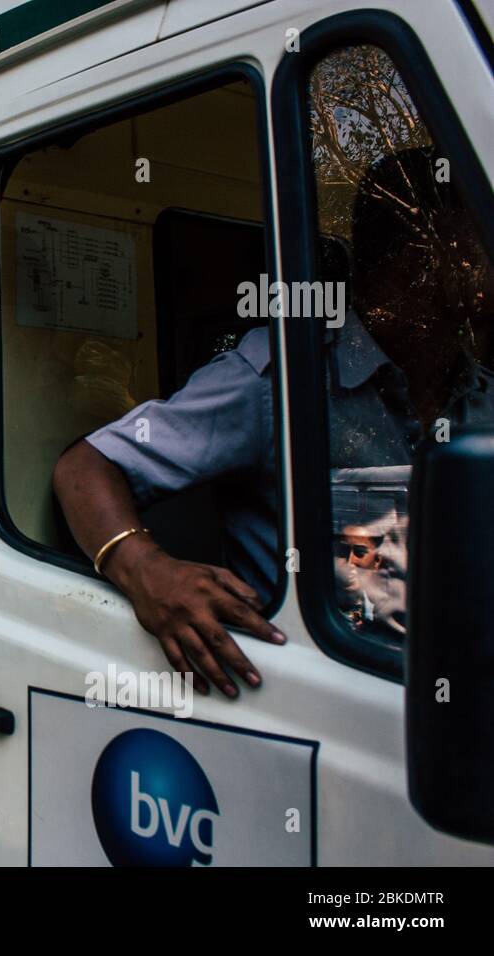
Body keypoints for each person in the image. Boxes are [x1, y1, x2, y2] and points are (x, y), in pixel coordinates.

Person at [52, 147, 494, 697]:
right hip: (331, 696)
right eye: (475, 243)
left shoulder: (482, 396)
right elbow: (85, 467)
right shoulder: (279, 379)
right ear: (411, 261)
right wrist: (145, 571)